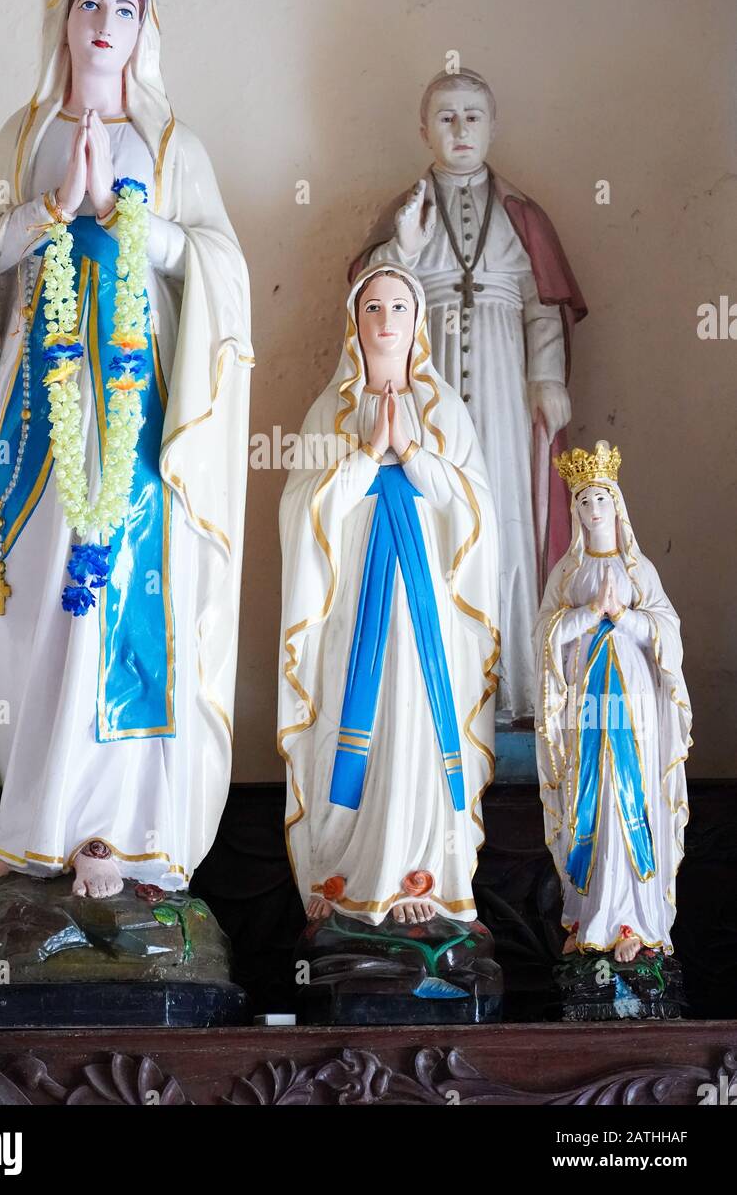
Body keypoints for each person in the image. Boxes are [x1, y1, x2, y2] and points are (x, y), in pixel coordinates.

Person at [0, 0, 252, 898]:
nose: (106, 22)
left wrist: (132, 223)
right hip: (40, 403)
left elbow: (220, 269)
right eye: (89, 4)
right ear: (63, 25)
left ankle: (129, 835)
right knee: (31, 600)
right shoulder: (21, 135)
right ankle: (32, 828)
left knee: (125, 597)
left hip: (138, 407)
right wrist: (46, 213)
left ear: (146, 32)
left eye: (125, 8)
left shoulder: (175, 145)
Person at [351, 67, 586, 717]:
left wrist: (546, 375)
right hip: (429, 383)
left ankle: (512, 687)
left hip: (506, 380)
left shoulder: (520, 215)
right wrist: (402, 243)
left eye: (472, 116)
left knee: (507, 514)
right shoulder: (404, 212)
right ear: (423, 129)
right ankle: (435, 689)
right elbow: (372, 294)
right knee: (434, 516)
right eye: (446, 117)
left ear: (493, 126)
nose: (459, 130)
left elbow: (543, 304)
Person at [278, 264, 500, 927]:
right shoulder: (330, 411)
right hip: (353, 609)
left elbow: (479, 514)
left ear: (417, 322)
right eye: (372, 307)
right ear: (355, 321)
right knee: (356, 716)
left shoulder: (446, 412)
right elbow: (297, 512)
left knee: (423, 720)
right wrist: (364, 458)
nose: (385, 322)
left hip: (428, 609)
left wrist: (414, 452)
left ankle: (424, 877)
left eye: (398, 307)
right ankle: (346, 874)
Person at [534, 441, 692, 960]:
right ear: (575, 512)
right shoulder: (567, 573)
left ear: (617, 504)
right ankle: (591, 915)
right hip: (585, 707)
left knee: (633, 793)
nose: (593, 509)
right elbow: (545, 637)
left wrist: (623, 617)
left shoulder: (640, 569)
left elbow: (667, 633)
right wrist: (587, 614)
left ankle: (638, 921)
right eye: (582, 501)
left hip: (635, 711)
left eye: (601, 498)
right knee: (592, 795)